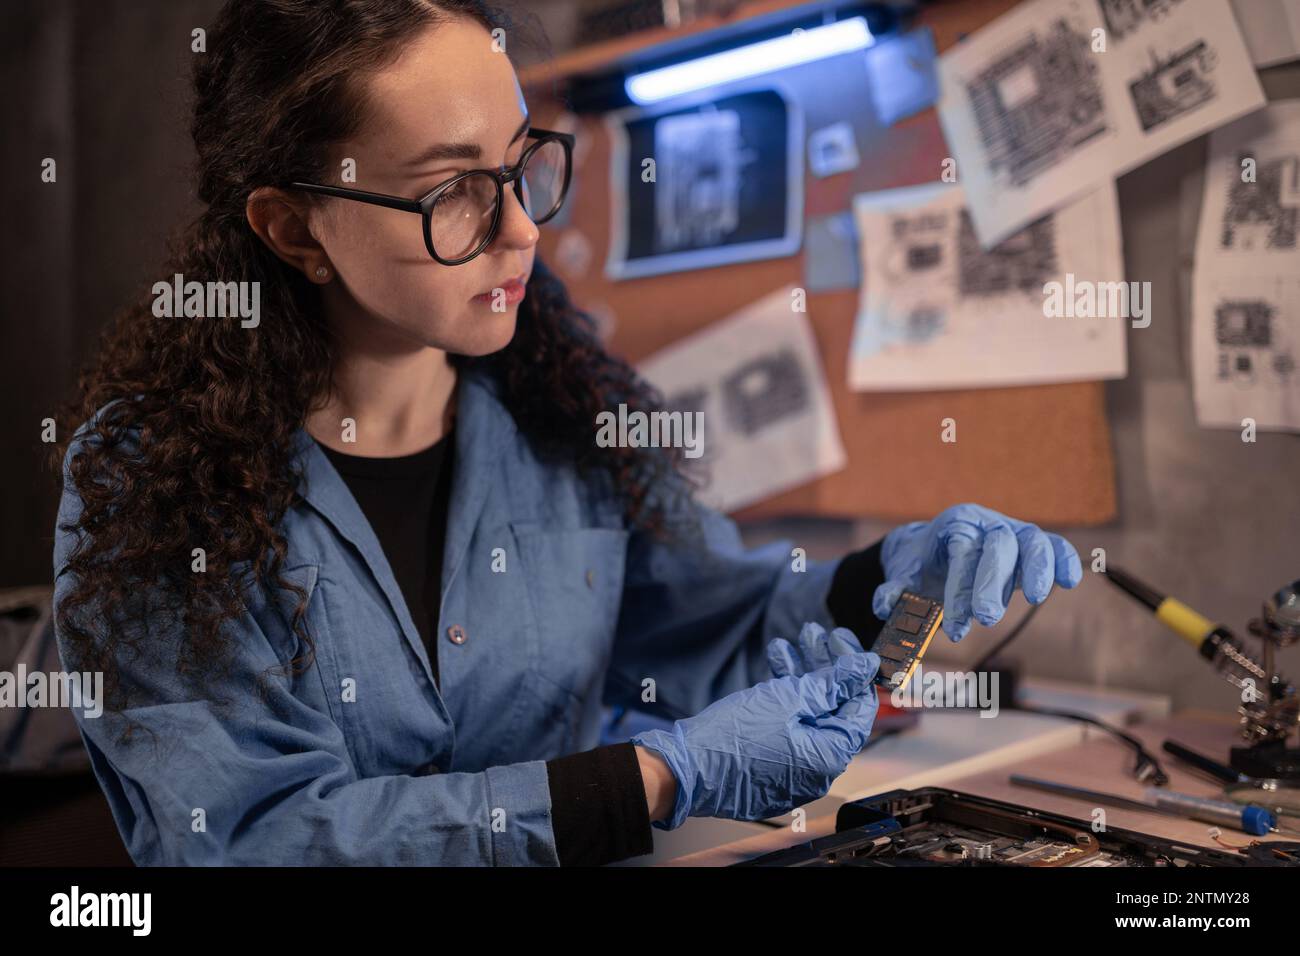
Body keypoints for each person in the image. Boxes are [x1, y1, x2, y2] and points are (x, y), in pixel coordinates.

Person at [52, 0, 1082, 866]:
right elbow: (251, 840)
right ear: (292, 227)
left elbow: (707, 621)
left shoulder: (563, 423)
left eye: (519, 164)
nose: (521, 229)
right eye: (452, 189)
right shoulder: (147, 484)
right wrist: (655, 779)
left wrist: (882, 580)